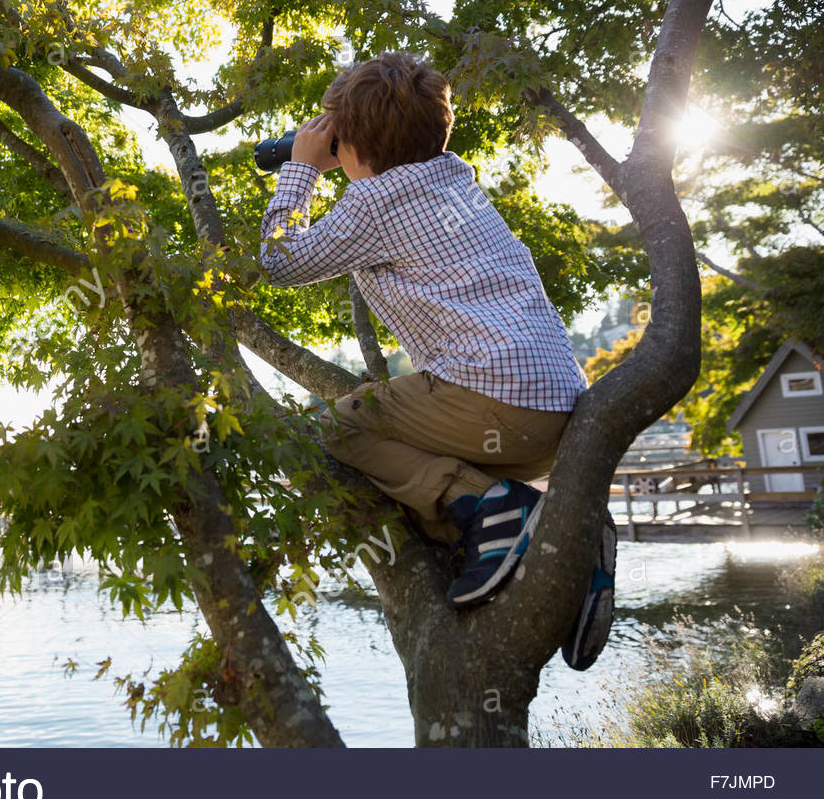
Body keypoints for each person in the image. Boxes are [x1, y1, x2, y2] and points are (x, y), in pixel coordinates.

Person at [259, 51, 614, 669]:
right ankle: (567, 546)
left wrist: (300, 172)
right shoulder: (456, 180)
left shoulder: (374, 205)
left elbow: (282, 259)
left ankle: (496, 508)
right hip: (554, 418)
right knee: (412, 460)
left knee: (334, 426)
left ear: (354, 146)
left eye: (337, 138)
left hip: (489, 405)